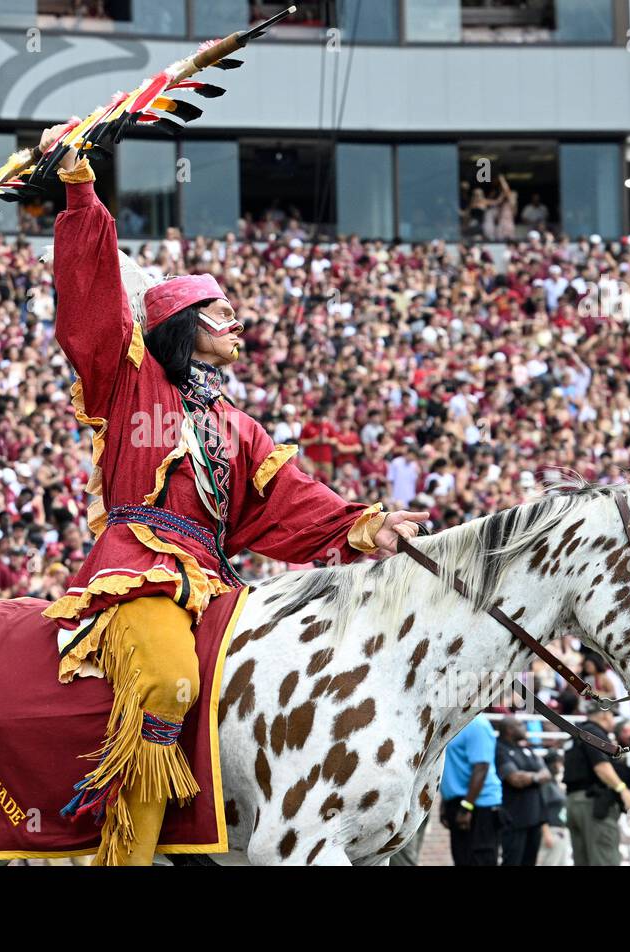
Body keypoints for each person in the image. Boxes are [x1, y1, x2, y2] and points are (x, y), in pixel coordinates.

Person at [37, 120, 428, 866]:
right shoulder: (127, 381)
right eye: (220, 312)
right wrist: (80, 187)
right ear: (184, 326)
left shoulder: (236, 425)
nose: (236, 321)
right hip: (140, 568)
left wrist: (364, 526)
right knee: (168, 681)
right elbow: (92, 304)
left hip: (217, 581)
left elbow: (292, 502)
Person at [562, 699, 630, 866]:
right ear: (604, 714)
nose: (612, 719)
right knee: (605, 859)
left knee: (583, 860)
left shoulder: (576, 733)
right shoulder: (594, 732)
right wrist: (623, 790)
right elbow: (601, 767)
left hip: (574, 802)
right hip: (593, 805)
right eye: (611, 715)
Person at [438, 714, 502, 865]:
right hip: (458, 802)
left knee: (480, 861)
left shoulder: (476, 724)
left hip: (478, 804)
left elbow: (481, 767)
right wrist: (445, 803)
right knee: (461, 859)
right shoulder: (453, 722)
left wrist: (466, 807)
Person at [495, 715, 549, 866]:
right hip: (514, 818)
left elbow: (547, 773)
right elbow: (515, 779)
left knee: (530, 862)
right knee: (512, 861)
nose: (525, 727)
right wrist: (537, 777)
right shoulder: (500, 748)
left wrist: (531, 777)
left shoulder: (526, 748)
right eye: (520, 725)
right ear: (509, 730)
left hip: (535, 817)